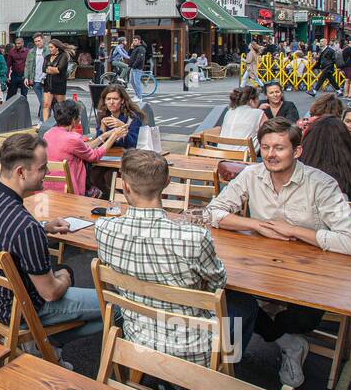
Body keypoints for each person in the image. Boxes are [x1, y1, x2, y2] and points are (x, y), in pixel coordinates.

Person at [205, 117, 351, 386]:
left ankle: (286, 339)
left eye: (279, 148)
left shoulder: (321, 184)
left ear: (297, 151)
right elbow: (213, 212)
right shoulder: (252, 174)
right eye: (265, 147)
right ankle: (284, 347)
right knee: (231, 300)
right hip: (261, 267)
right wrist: (256, 224)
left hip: (308, 273)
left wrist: (293, 230)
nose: (270, 154)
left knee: (302, 316)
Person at [94, 149, 257, 366]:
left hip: (136, 336)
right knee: (245, 305)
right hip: (193, 347)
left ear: (125, 185)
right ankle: (221, 375)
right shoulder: (194, 238)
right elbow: (217, 285)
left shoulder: (103, 229)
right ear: (167, 182)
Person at [0, 132, 100, 363]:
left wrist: (43, 226)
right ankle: (44, 343)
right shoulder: (25, 228)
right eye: (43, 168)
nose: (48, 173)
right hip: (21, 309)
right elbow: (50, 292)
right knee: (115, 306)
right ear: (21, 172)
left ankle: (44, 341)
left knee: (66, 275)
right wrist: (64, 276)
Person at [42, 98, 118, 197]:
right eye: (79, 116)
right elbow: (94, 156)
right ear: (74, 120)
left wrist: (104, 136)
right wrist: (114, 136)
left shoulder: (48, 134)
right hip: (69, 189)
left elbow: (83, 147)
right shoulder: (73, 139)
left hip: (47, 187)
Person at [96, 84, 143, 149]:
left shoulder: (132, 117)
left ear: (122, 101)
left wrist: (123, 127)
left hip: (126, 155)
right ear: (105, 101)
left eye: (115, 99)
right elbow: (99, 145)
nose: (111, 102)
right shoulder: (103, 115)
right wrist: (102, 128)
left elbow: (133, 145)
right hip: (108, 154)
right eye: (108, 99)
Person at [42, 37, 71, 119]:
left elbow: (59, 69)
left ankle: (62, 123)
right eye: (49, 47)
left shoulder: (63, 56)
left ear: (57, 47)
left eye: (51, 47)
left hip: (59, 83)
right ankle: (45, 125)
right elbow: (44, 69)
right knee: (46, 104)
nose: (50, 49)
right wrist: (53, 69)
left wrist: (50, 68)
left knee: (60, 106)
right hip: (48, 83)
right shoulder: (47, 57)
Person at [25, 33, 46, 121]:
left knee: (44, 103)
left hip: (45, 80)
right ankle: (46, 120)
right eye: (35, 41)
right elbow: (27, 65)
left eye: (39, 41)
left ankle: (42, 121)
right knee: (43, 103)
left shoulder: (48, 50)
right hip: (35, 80)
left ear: (43, 40)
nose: (37, 43)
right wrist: (26, 77)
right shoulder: (31, 52)